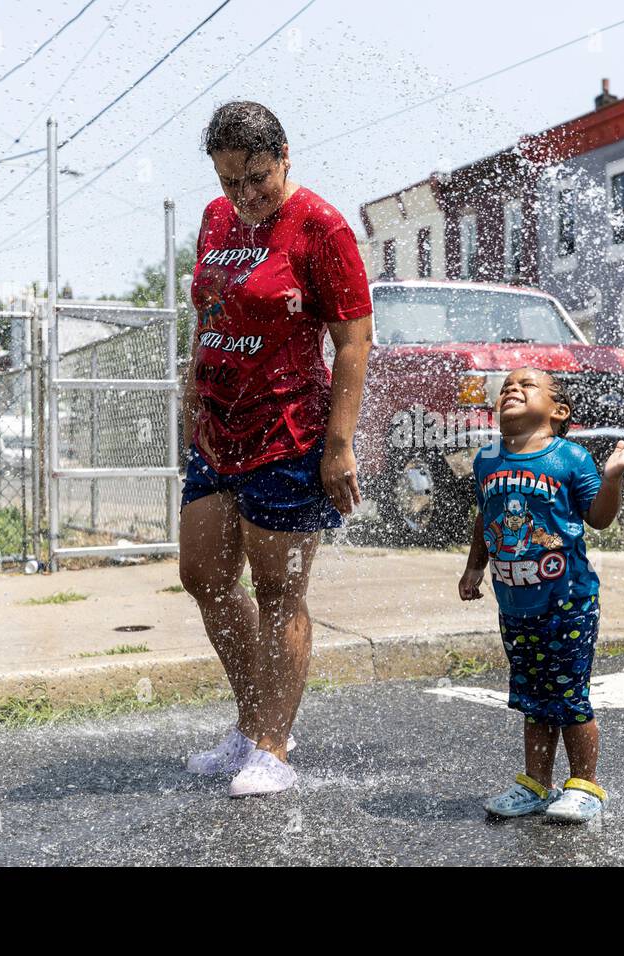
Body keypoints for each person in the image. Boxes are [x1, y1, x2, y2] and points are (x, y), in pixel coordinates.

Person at [179, 101, 372, 798]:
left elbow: (353, 343)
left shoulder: (322, 228)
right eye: (231, 182)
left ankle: (272, 747)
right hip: (215, 430)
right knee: (203, 575)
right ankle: (246, 722)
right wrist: (189, 401)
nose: (245, 196)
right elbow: (207, 314)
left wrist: (338, 447)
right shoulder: (214, 219)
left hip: (288, 434)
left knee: (279, 588)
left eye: (256, 178)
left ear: (284, 154)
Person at [459, 367, 624, 823]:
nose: (512, 390)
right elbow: (486, 520)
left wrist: (612, 479)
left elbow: (598, 519)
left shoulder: (570, 458)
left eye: (526, 386)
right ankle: (536, 785)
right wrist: (474, 566)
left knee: (567, 694)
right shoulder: (487, 459)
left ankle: (585, 785)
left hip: (568, 602)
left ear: (558, 411)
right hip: (515, 605)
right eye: (506, 386)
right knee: (531, 696)